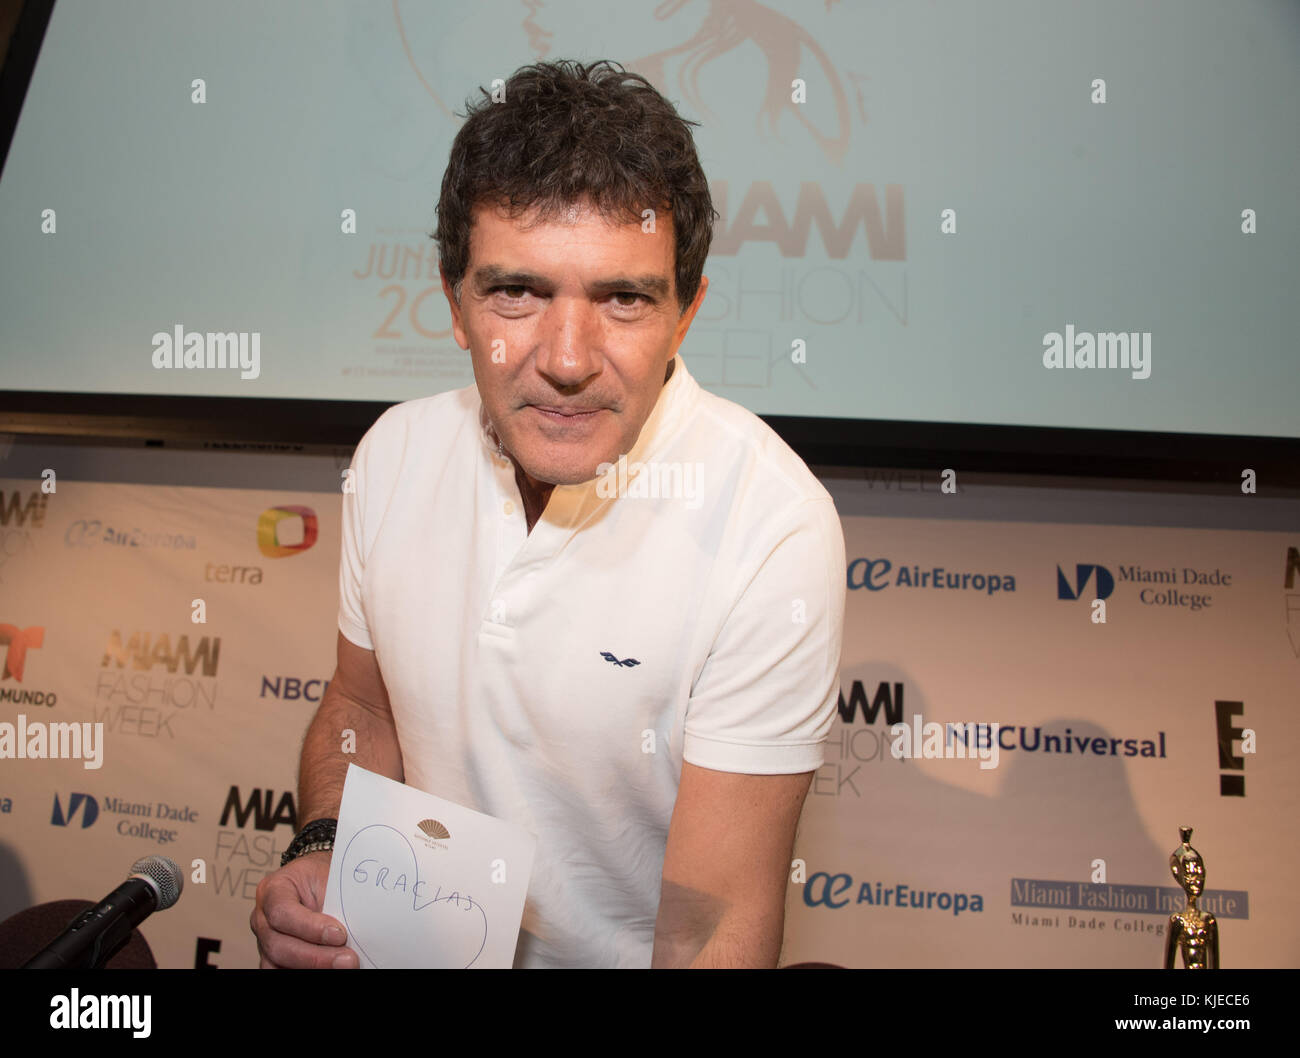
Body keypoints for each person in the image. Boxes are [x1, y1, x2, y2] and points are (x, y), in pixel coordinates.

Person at [251, 58, 846, 969]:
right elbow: (362, 705)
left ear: (686, 315)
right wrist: (324, 843)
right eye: (517, 293)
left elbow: (713, 930)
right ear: (454, 301)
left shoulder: (770, 527)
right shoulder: (395, 455)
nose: (568, 359)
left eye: (623, 299)